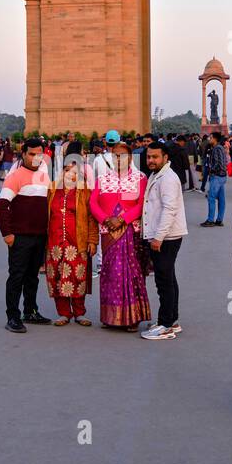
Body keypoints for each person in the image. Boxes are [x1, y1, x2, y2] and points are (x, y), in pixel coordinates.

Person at [89, 136, 150, 331]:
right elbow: (93, 203)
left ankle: (131, 318)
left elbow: (141, 204)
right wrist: (106, 219)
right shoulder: (103, 179)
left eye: (123, 156)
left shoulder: (140, 178)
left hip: (130, 230)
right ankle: (111, 317)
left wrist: (123, 219)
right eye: (115, 155)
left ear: (131, 158)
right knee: (110, 274)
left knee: (130, 273)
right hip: (108, 231)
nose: (118, 159)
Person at [0, 137, 51, 332]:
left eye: (39, 154)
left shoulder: (46, 176)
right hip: (19, 237)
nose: (36, 158)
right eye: (31, 154)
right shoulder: (16, 176)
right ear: (24, 154)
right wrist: (7, 234)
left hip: (39, 236)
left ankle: (30, 310)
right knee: (17, 276)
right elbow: (2, 205)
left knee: (32, 277)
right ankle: (13, 316)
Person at [141, 140, 187, 339]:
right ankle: (171, 320)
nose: (151, 160)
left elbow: (170, 209)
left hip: (166, 237)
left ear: (165, 157)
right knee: (168, 278)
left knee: (164, 280)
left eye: (155, 157)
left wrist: (158, 237)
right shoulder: (158, 174)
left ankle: (166, 324)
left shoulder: (167, 178)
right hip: (164, 235)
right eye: (149, 157)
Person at [45, 152, 98, 325]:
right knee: (57, 277)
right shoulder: (53, 190)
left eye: (73, 171)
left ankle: (79, 313)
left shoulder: (84, 192)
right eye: (66, 170)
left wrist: (92, 240)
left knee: (78, 276)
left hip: (77, 241)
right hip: (55, 242)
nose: (69, 174)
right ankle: (63, 313)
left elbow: (91, 218)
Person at [201, 131, 228, 227]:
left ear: (215, 139)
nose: (209, 139)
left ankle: (210, 220)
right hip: (222, 176)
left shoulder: (217, 148)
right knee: (221, 199)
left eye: (210, 137)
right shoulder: (219, 148)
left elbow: (218, 163)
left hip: (217, 176)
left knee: (211, 198)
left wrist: (211, 171)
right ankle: (219, 219)